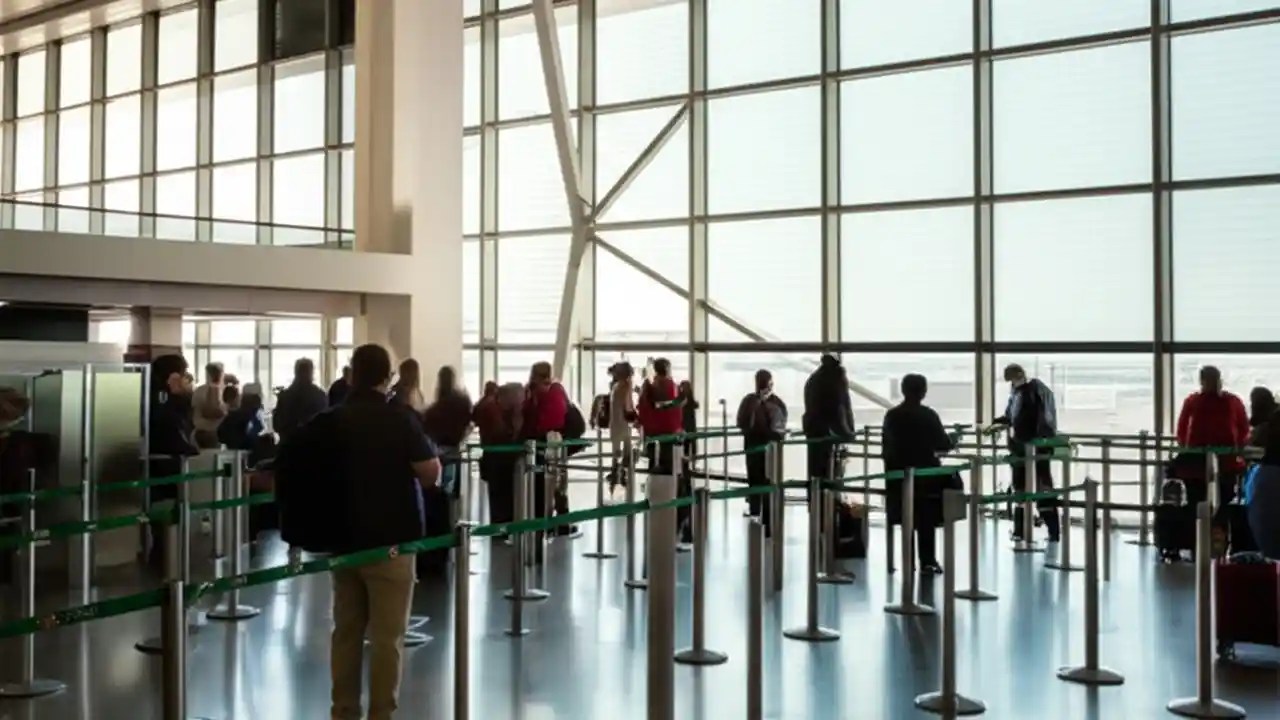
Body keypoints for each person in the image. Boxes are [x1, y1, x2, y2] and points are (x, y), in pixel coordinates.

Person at [328, 344, 440, 720]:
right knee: (387, 638)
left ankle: (343, 710)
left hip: (343, 538)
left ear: (353, 374)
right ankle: (381, 713)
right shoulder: (400, 419)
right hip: (392, 541)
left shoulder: (334, 419)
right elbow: (430, 472)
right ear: (386, 377)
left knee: (345, 630)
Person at [882, 374, 956, 574]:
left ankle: (905, 561)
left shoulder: (892, 416)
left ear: (903, 390)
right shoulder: (928, 415)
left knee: (906, 516)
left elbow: (887, 448)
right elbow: (943, 444)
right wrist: (954, 439)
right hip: (926, 479)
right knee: (926, 518)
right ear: (923, 392)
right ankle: (927, 560)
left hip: (898, 479)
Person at [990, 363, 1060, 543]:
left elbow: (1022, 420)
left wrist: (1014, 434)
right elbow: (1013, 417)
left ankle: (1024, 531)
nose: (1012, 383)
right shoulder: (1028, 391)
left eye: (1012, 379)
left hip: (1026, 448)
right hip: (1035, 447)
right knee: (1039, 486)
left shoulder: (1027, 393)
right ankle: (1046, 531)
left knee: (1027, 487)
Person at [148, 354, 199, 567]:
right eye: (184, 374)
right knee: (165, 518)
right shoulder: (162, 401)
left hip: (162, 466)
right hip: (162, 468)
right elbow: (172, 432)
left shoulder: (158, 397)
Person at [1176, 365, 1250, 511]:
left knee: (1200, 504)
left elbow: (1182, 431)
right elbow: (1244, 428)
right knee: (1219, 503)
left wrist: (1186, 447)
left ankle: (1204, 530)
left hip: (1204, 464)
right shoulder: (1231, 401)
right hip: (1220, 463)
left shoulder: (1194, 402)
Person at [637, 358, 692, 543]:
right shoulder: (673, 388)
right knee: (679, 484)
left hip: (654, 442)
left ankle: (659, 527)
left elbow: (645, 413)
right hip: (672, 442)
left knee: (658, 483)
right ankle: (679, 528)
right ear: (667, 369)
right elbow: (674, 414)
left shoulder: (649, 389)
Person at [523, 361, 574, 533]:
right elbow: (558, 416)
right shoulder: (554, 390)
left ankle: (544, 520)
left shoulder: (532, 392)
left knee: (546, 483)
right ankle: (557, 522)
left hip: (540, 442)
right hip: (552, 440)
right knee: (557, 482)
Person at [736, 370, 788, 532]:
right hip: (768, 448)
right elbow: (781, 425)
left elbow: (743, 422)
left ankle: (758, 513)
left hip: (756, 447)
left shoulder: (750, 401)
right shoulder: (776, 402)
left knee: (758, 480)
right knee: (765, 480)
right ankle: (763, 515)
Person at [802, 354, 857, 483]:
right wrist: (848, 432)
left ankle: (816, 500)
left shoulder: (814, 379)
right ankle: (829, 500)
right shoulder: (836, 377)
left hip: (813, 432)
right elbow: (841, 407)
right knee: (830, 473)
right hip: (829, 434)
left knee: (816, 474)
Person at [422, 366, 473, 497]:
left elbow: (426, 424)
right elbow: (469, 421)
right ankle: (453, 513)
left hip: (438, 451)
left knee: (440, 491)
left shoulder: (435, 409)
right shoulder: (462, 401)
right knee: (452, 488)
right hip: (455, 449)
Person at [274, 357, 329, 442]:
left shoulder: (285, 396)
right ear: (311, 372)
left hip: (289, 446)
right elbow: (325, 423)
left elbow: (277, 424)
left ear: (295, 372)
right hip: (313, 446)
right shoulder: (319, 395)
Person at [608, 362, 638, 495]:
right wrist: (635, 418)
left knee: (616, 452)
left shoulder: (615, 386)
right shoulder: (626, 385)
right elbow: (628, 405)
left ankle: (615, 474)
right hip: (624, 423)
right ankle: (622, 476)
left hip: (614, 422)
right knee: (627, 452)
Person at [191, 362, 227, 449]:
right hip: (214, 432)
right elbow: (213, 412)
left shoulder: (199, 390)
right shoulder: (222, 390)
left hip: (199, 431)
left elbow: (193, 409)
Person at [217, 388, 265, 453]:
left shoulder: (231, 417)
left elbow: (221, 435)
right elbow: (260, 427)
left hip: (233, 449)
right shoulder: (247, 416)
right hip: (248, 449)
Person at [679, 380, 699, 470]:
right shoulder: (689, 401)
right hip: (690, 427)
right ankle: (690, 466)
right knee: (691, 447)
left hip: (685, 428)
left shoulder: (683, 400)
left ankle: (686, 467)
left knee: (686, 448)